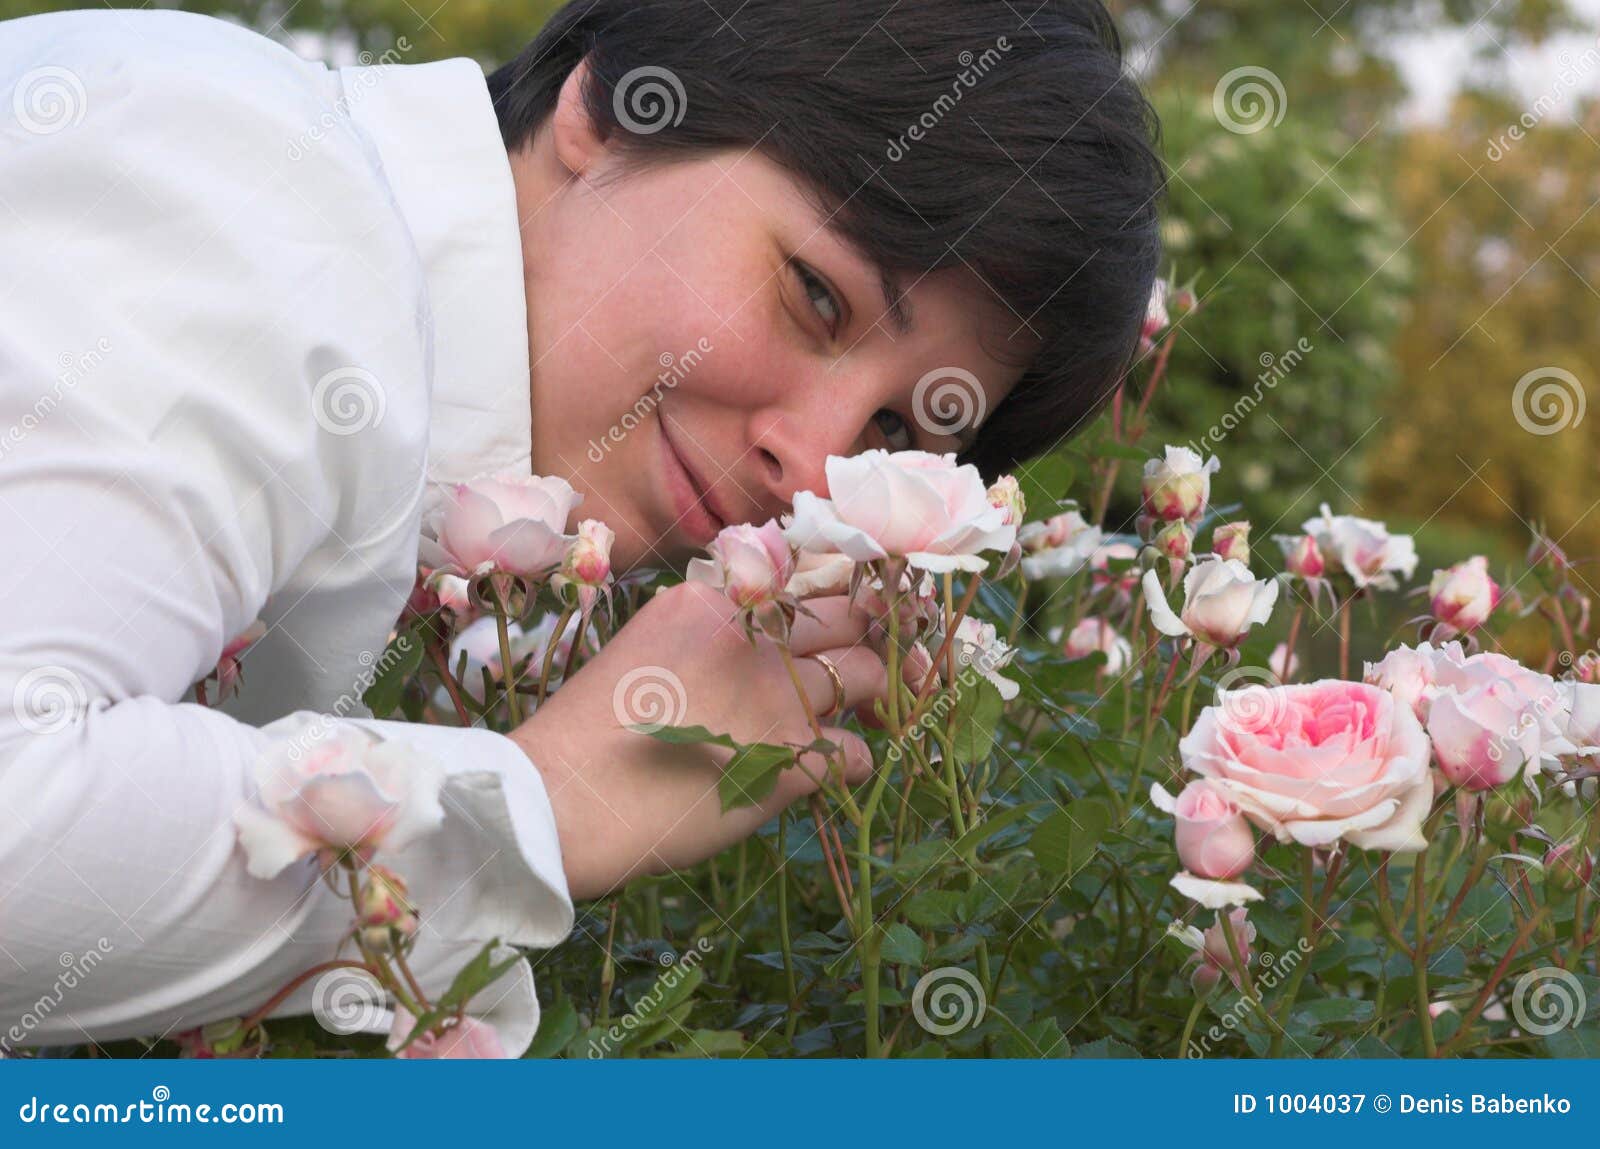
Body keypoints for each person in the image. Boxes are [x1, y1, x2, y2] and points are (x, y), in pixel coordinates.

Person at [0, 0, 1162, 1051]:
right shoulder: (254, 195)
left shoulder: (470, 494)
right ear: (606, 111)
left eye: (902, 431)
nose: (814, 463)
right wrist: (537, 804)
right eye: (816, 295)